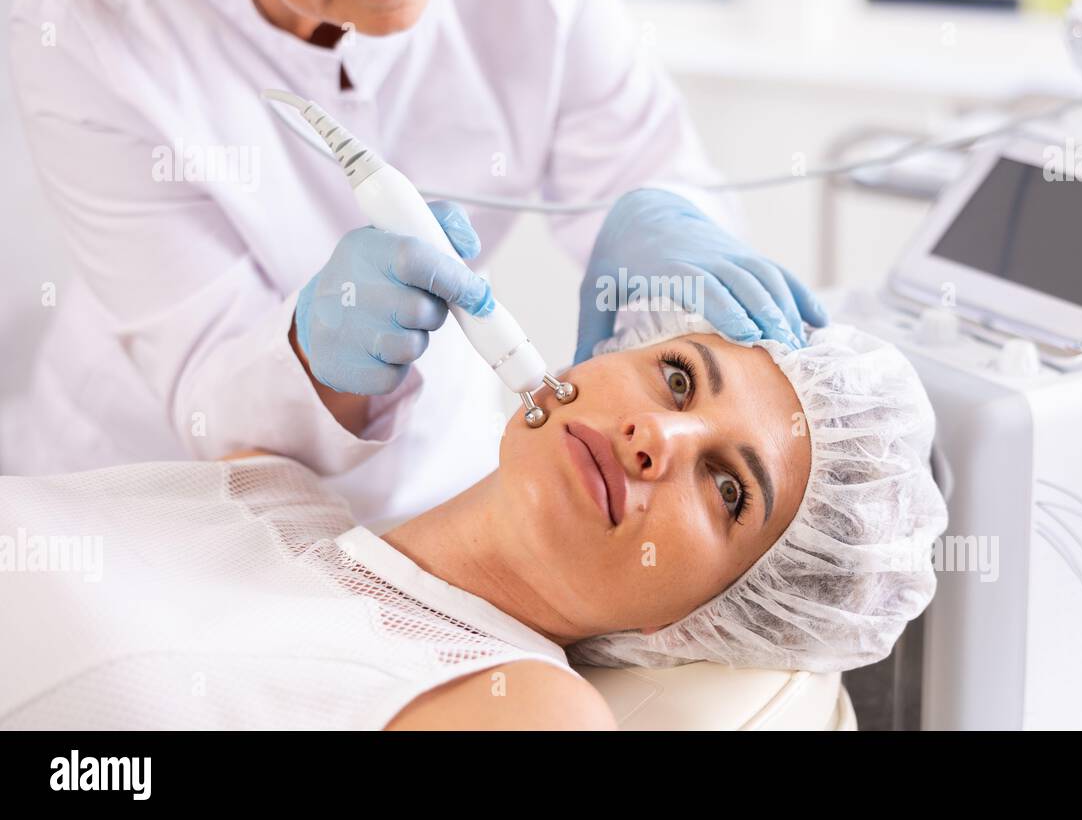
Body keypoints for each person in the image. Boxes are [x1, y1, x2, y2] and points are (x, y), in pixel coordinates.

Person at [4, 0, 826, 523]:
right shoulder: (85, 23)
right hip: (142, 498)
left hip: (424, 484)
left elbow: (647, 165)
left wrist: (664, 216)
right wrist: (313, 360)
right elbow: (210, 392)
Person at [0, 310, 946, 729]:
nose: (656, 432)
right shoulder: (277, 493)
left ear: (712, 616)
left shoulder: (527, 709)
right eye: (678, 376)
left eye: (728, 489)